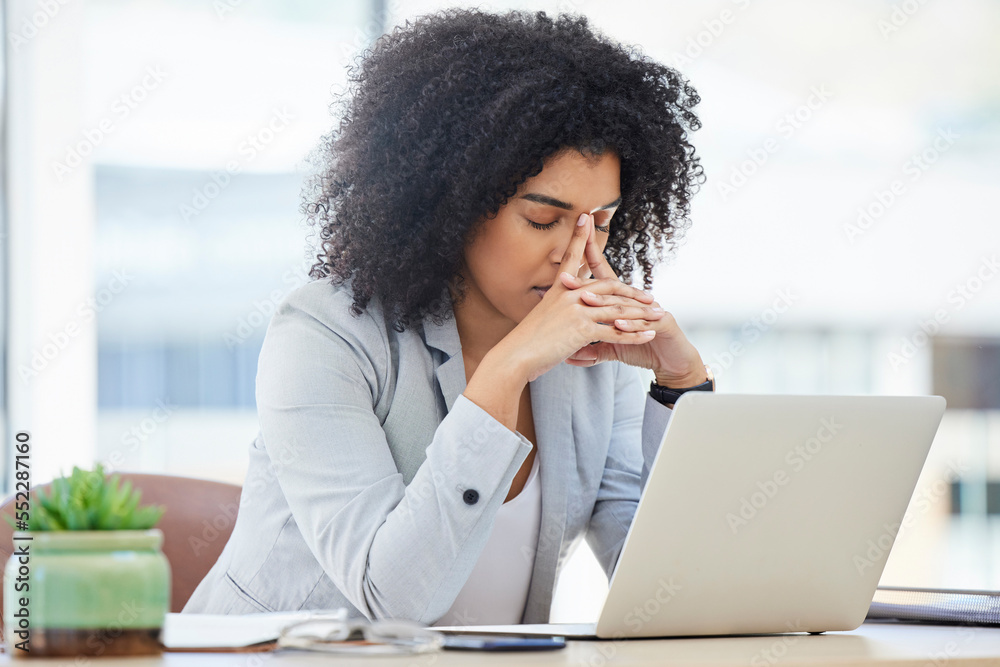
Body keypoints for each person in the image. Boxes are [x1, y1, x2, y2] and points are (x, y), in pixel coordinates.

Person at [183, 7, 711, 626]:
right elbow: (392, 599)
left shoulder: (592, 355)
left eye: (600, 221)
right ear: (454, 202)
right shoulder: (325, 335)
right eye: (543, 220)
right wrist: (507, 369)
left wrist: (682, 387)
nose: (578, 258)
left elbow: (668, 588)